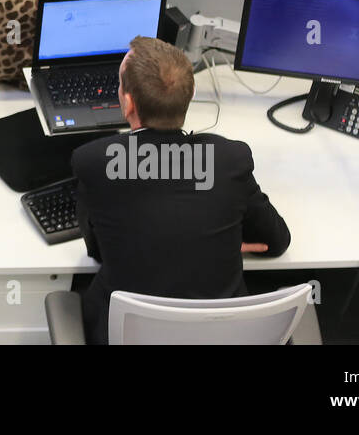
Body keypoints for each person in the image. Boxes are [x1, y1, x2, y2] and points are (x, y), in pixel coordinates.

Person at [71, 36, 290, 344]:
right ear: (190, 96)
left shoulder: (94, 161)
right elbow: (277, 241)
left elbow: (97, 250)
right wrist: (215, 241)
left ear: (129, 102)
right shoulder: (229, 159)